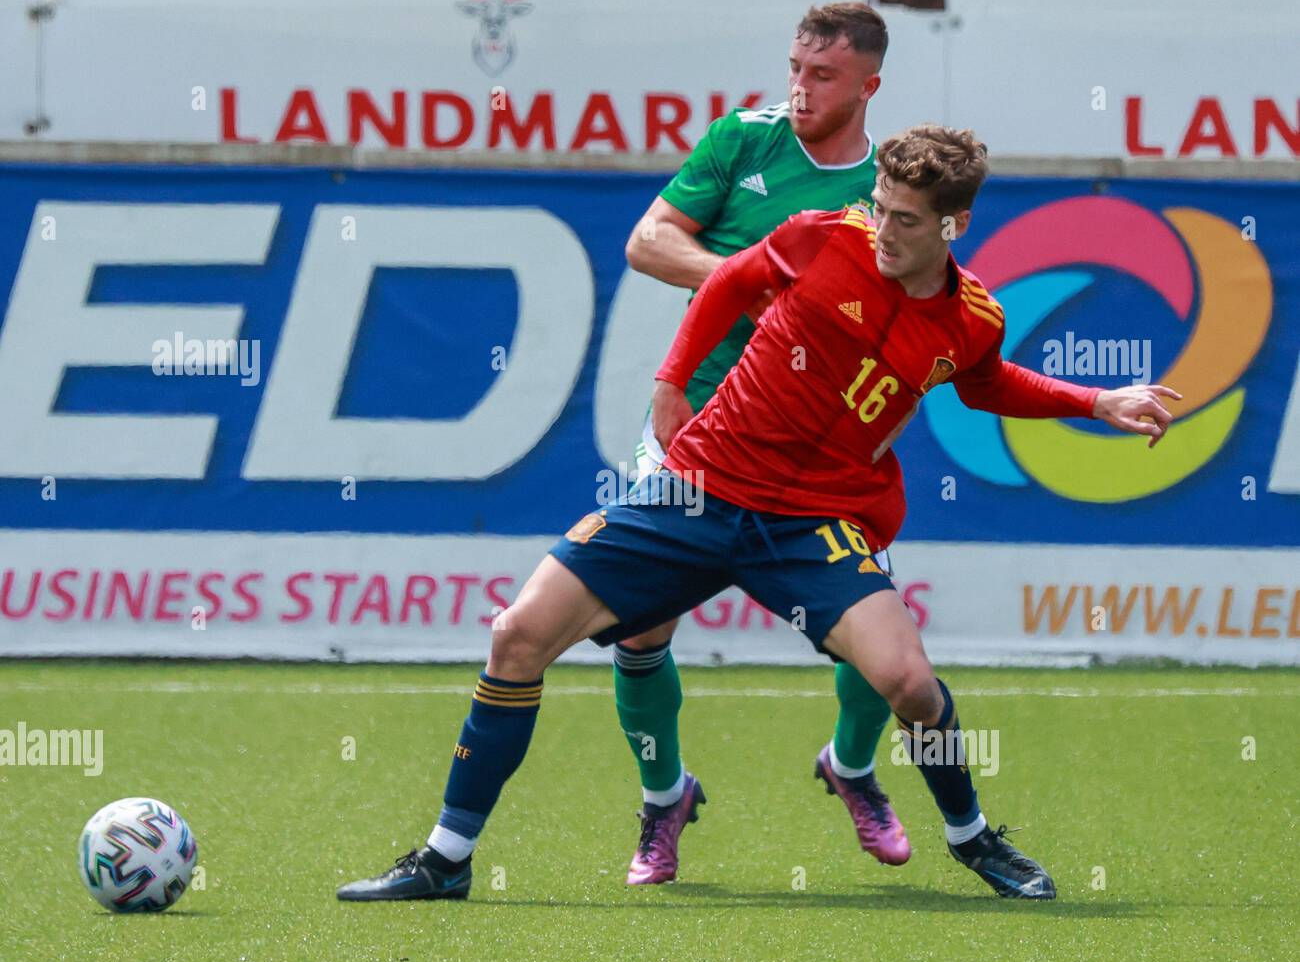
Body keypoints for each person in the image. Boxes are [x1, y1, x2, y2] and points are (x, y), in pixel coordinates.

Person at [338, 125, 1180, 904]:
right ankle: (446, 859)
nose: (883, 230)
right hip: (698, 487)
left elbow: (988, 379)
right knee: (517, 636)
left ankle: (971, 837)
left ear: (954, 225)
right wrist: (672, 382)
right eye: (880, 207)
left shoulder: (970, 318)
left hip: (812, 521)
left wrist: (1095, 398)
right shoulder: (822, 236)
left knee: (911, 686)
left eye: (906, 220)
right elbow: (730, 282)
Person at [619, 1, 909, 887]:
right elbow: (649, 240)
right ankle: (665, 795)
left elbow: (912, 320)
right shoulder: (745, 139)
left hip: (817, 446)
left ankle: (852, 768)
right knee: (640, 628)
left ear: (869, 85)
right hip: (699, 425)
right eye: (795, 66)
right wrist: (749, 278)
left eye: (822, 75)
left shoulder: (887, 191)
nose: (800, 87)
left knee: (876, 643)